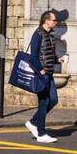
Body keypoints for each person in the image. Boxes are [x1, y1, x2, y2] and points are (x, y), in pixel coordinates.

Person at [24, 10, 66, 143]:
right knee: (44, 102)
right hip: (42, 74)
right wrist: (41, 71)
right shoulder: (38, 34)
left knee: (53, 100)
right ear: (46, 21)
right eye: (54, 20)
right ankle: (41, 133)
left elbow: (47, 54)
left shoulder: (48, 34)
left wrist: (57, 60)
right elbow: (33, 58)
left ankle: (33, 122)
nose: (56, 22)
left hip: (49, 73)